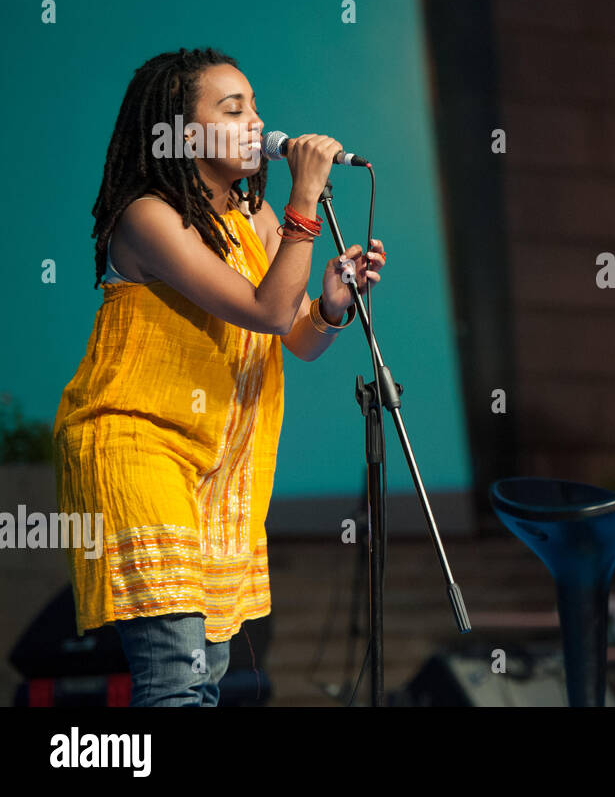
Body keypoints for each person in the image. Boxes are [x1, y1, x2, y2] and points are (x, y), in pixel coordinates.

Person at [52, 47, 387, 706]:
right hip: (136, 446)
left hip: (217, 468)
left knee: (205, 671)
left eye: (256, 106)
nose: (258, 123)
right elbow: (264, 310)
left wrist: (329, 305)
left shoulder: (254, 219)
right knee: (175, 676)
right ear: (179, 131)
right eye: (233, 109)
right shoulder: (150, 216)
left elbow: (293, 335)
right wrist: (305, 198)